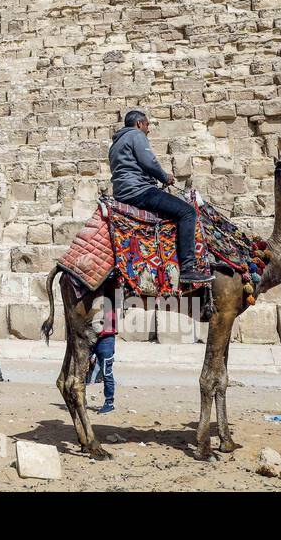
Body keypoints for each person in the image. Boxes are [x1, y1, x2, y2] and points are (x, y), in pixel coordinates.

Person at [109, 109, 206, 285]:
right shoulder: (136, 135)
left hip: (122, 193)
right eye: (147, 124)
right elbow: (149, 162)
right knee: (188, 212)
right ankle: (188, 268)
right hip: (139, 191)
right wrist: (165, 177)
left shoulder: (115, 144)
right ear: (139, 123)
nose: (148, 129)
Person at [87, 302, 118, 413]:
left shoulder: (109, 306)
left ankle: (109, 403)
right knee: (84, 369)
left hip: (106, 340)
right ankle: (81, 400)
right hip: (92, 339)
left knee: (107, 373)